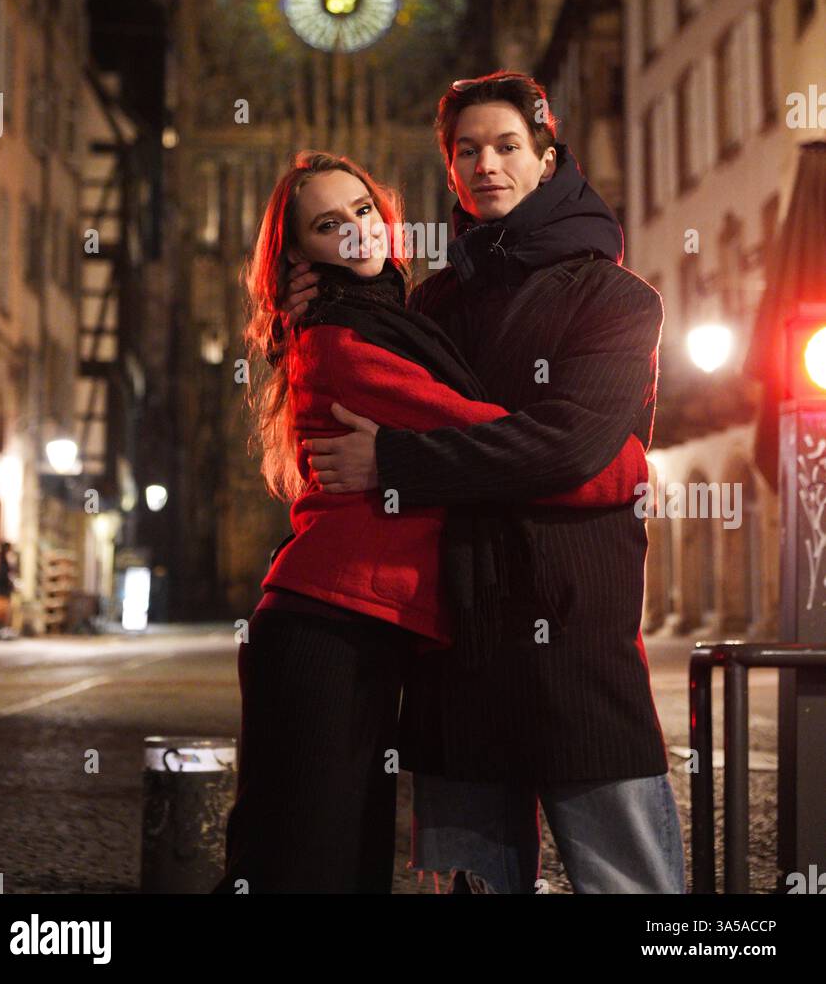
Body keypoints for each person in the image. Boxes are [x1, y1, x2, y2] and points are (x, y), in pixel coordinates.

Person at [287, 71, 685, 895]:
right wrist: (312, 293)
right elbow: (351, 354)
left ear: (547, 157)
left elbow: (571, 447)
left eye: (507, 146)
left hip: (574, 643)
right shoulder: (431, 304)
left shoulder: (615, 298)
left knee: (636, 894)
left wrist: (398, 462)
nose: (486, 165)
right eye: (466, 151)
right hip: (457, 653)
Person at [213, 149, 647, 895]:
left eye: (361, 211)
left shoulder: (386, 320)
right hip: (325, 632)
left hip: (362, 632)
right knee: (299, 868)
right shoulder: (348, 345)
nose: (355, 231)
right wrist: (621, 467)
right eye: (327, 224)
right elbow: (498, 443)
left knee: (341, 868)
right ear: (301, 254)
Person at [0, 542, 17, 639]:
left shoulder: (4, 560)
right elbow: (3, 575)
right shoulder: (1, 561)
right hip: (1, 590)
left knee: (1, 613)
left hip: (2, 590)